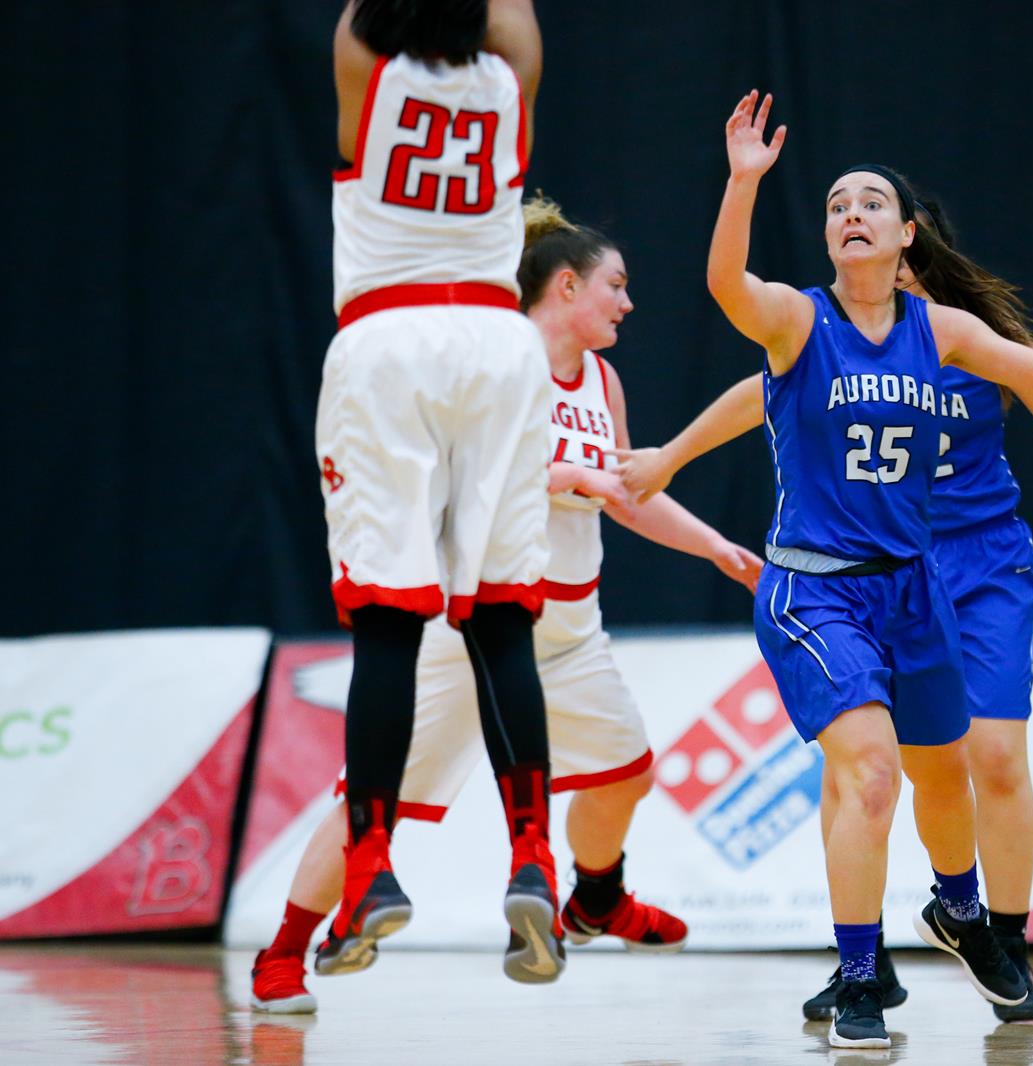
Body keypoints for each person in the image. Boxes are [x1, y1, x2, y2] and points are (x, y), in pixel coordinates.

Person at [615, 193, 1033, 1023]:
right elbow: (757, 386)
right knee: (863, 769)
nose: (859, 228)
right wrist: (671, 456)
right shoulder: (815, 332)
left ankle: (992, 930)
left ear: (908, 247)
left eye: (876, 216)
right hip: (859, 567)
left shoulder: (950, 334)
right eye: (839, 210)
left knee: (979, 761)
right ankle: (863, 962)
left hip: (968, 563)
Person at [252, 198, 763, 1012]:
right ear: (565, 286)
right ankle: (281, 957)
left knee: (627, 773)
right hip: (477, 632)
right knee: (373, 803)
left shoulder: (602, 379)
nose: (628, 303)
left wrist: (719, 548)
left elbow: (629, 490)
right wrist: (571, 477)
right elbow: (470, 484)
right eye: (615, 286)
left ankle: (596, 897)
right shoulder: (494, 364)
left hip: (572, 631)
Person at [314, 0, 562, 992]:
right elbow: (511, 20)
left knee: (388, 624)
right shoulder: (510, 80)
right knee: (502, 620)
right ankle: (534, 856)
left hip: (388, 341)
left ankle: (370, 869)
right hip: (501, 347)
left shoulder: (362, 69)